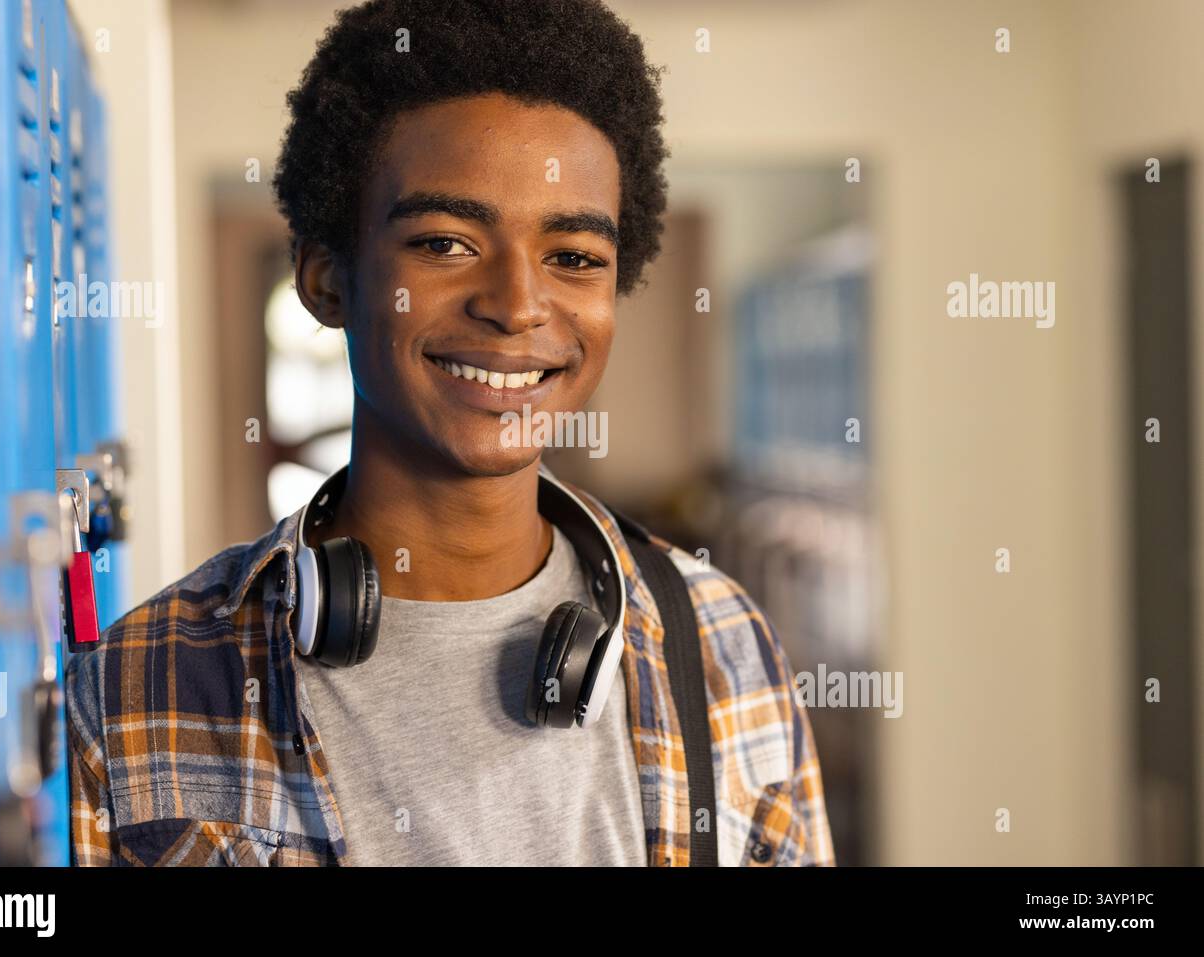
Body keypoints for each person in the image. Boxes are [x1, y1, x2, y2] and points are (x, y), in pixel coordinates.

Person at [65, 0, 834, 867]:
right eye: (445, 242)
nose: (515, 304)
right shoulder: (135, 685)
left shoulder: (721, 643)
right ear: (326, 279)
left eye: (575, 256)